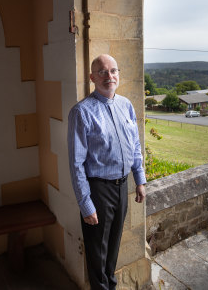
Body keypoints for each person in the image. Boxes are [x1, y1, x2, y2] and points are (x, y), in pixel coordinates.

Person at [68, 54, 146, 290]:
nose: (109, 76)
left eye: (113, 71)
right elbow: (76, 163)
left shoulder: (126, 105)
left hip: (122, 187)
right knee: (97, 253)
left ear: (118, 75)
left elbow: (134, 146)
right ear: (92, 77)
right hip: (98, 190)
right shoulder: (82, 112)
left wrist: (139, 179)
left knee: (112, 249)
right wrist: (86, 203)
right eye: (102, 71)